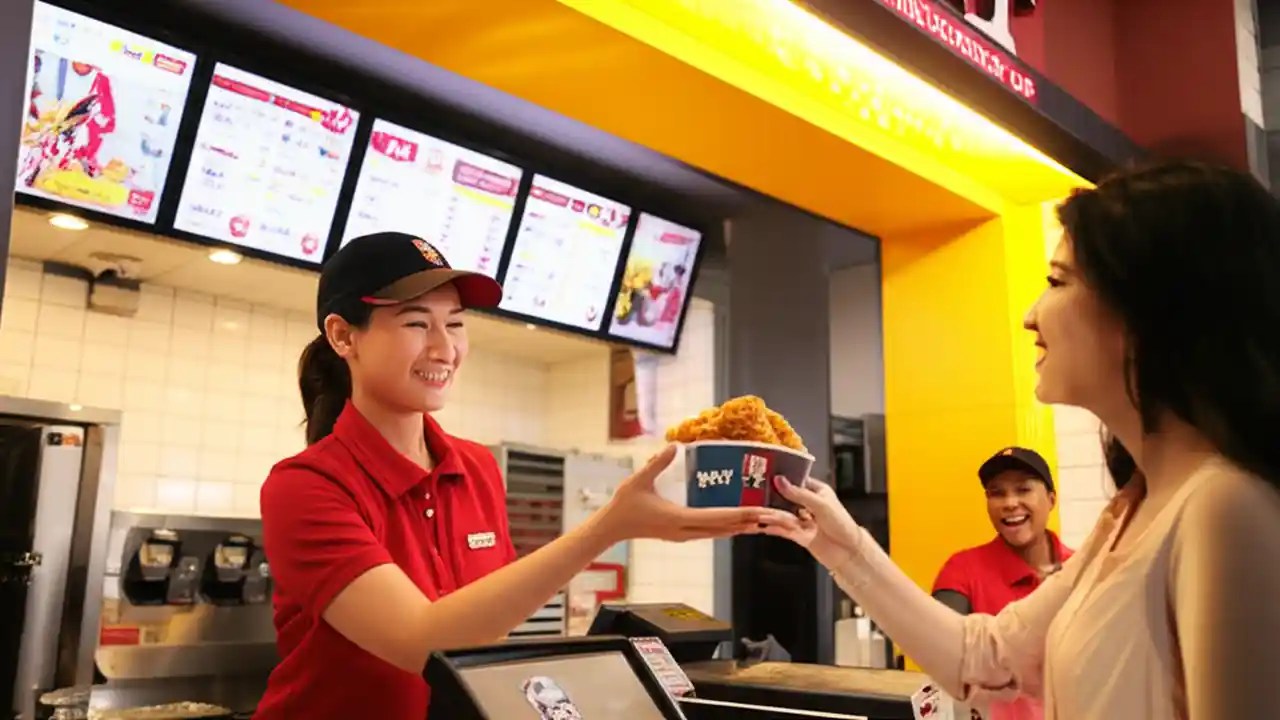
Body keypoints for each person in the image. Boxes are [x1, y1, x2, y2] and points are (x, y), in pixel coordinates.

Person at [758, 160, 1280, 719]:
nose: (1032, 315)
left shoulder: (1223, 507)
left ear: (1150, 310)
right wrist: (840, 545)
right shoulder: (1131, 511)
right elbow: (982, 659)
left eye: (1057, 282)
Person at [253, 232, 767, 719]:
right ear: (344, 336)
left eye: (455, 324)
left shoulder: (475, 467)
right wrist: (609, 527)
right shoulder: (305, 486)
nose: (444, 348)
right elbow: (420, 642)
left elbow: (482, 637)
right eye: (416, 324)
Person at [932, 447, 1072, 720]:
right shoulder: (961, 571)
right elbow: (942, 654)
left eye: (1023, 489)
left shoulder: (1082, 570)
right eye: (997, 493)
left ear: (1051, 499)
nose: (1009, 503)